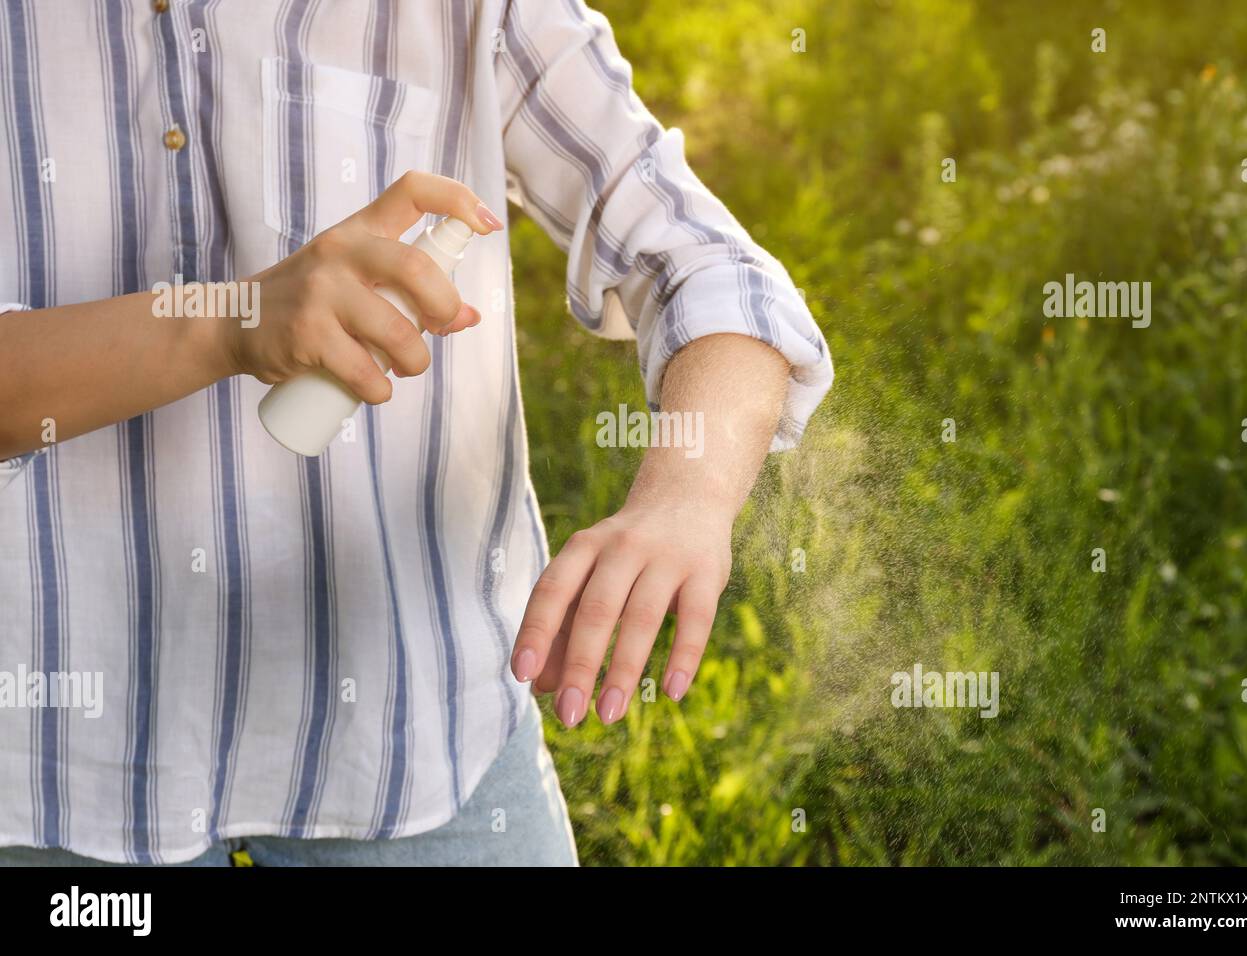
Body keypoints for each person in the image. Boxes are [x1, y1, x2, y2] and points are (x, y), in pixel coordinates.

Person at [0, 0, 832, 866]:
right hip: (56, 759)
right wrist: (226, 322)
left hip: (412, 728)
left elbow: (703, 260)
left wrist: (687, 497)